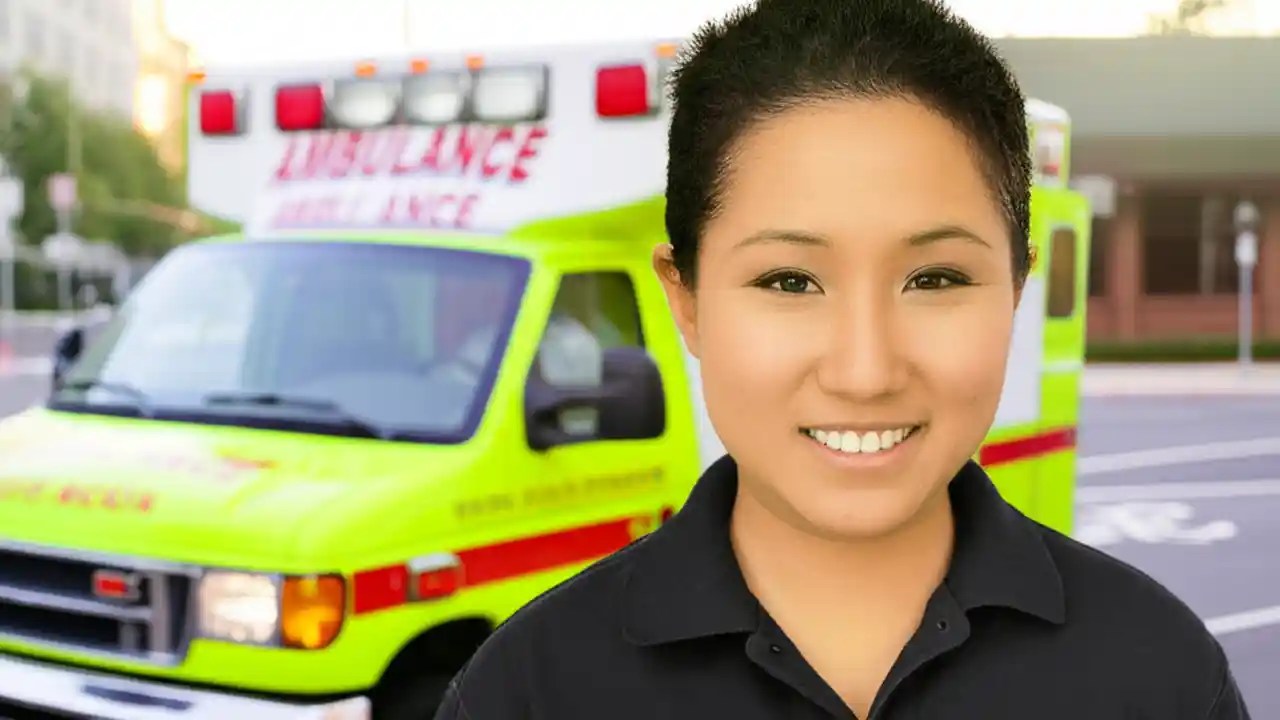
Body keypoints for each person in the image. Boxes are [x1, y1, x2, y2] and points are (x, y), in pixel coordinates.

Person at [431, 1, 1253, 718]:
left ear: (1016, 289)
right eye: (789, 280)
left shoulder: (1160, 676)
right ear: (687, 301)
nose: (865, 372)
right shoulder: (530, 691)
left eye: (935, 278)